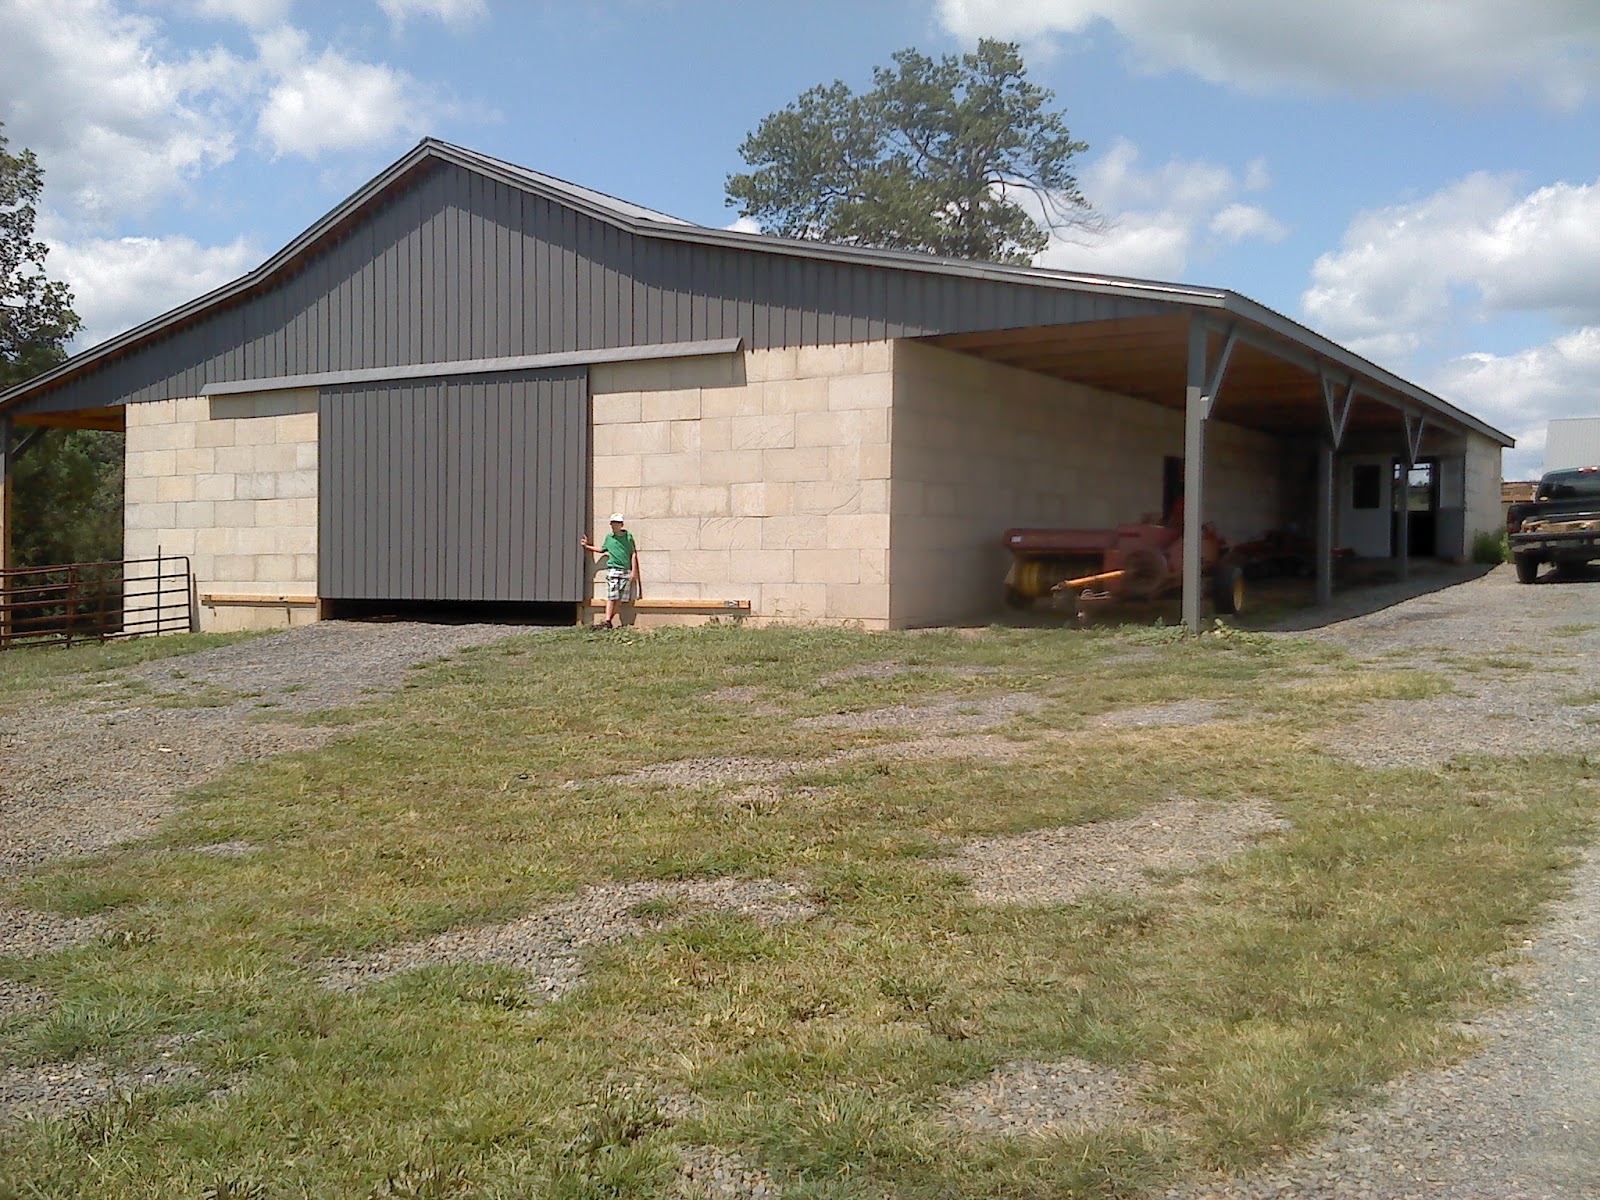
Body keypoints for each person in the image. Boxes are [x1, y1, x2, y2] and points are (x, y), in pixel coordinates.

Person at [580, 514, 641, 629]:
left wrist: (634, 571)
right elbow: (602, 549)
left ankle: (609, 622)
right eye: (612, 523)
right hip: (613, 569)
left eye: (617, 523)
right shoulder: (609, 538)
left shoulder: (628, 537)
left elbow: (633, 553)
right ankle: (607, 620)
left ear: (621, 524)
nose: (614, 525)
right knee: (611, 596)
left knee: (620, 598)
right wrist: (587, 546)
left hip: (625, 570)